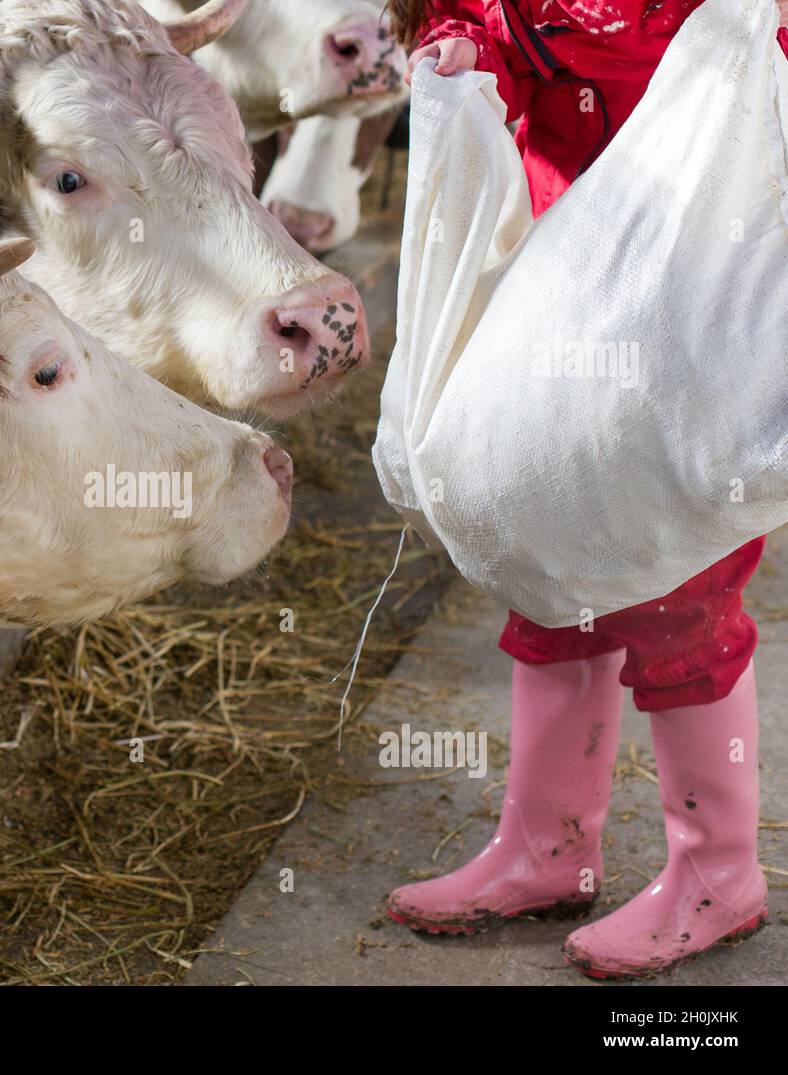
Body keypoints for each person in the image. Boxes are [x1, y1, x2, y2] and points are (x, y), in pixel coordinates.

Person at [382, 0, 788, 979]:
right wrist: (464, 57)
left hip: (692, 324)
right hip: (560, 304)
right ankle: (544, 847)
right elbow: (495, 50)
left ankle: (717, 872)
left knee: (675, 587)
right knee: (546, 561)